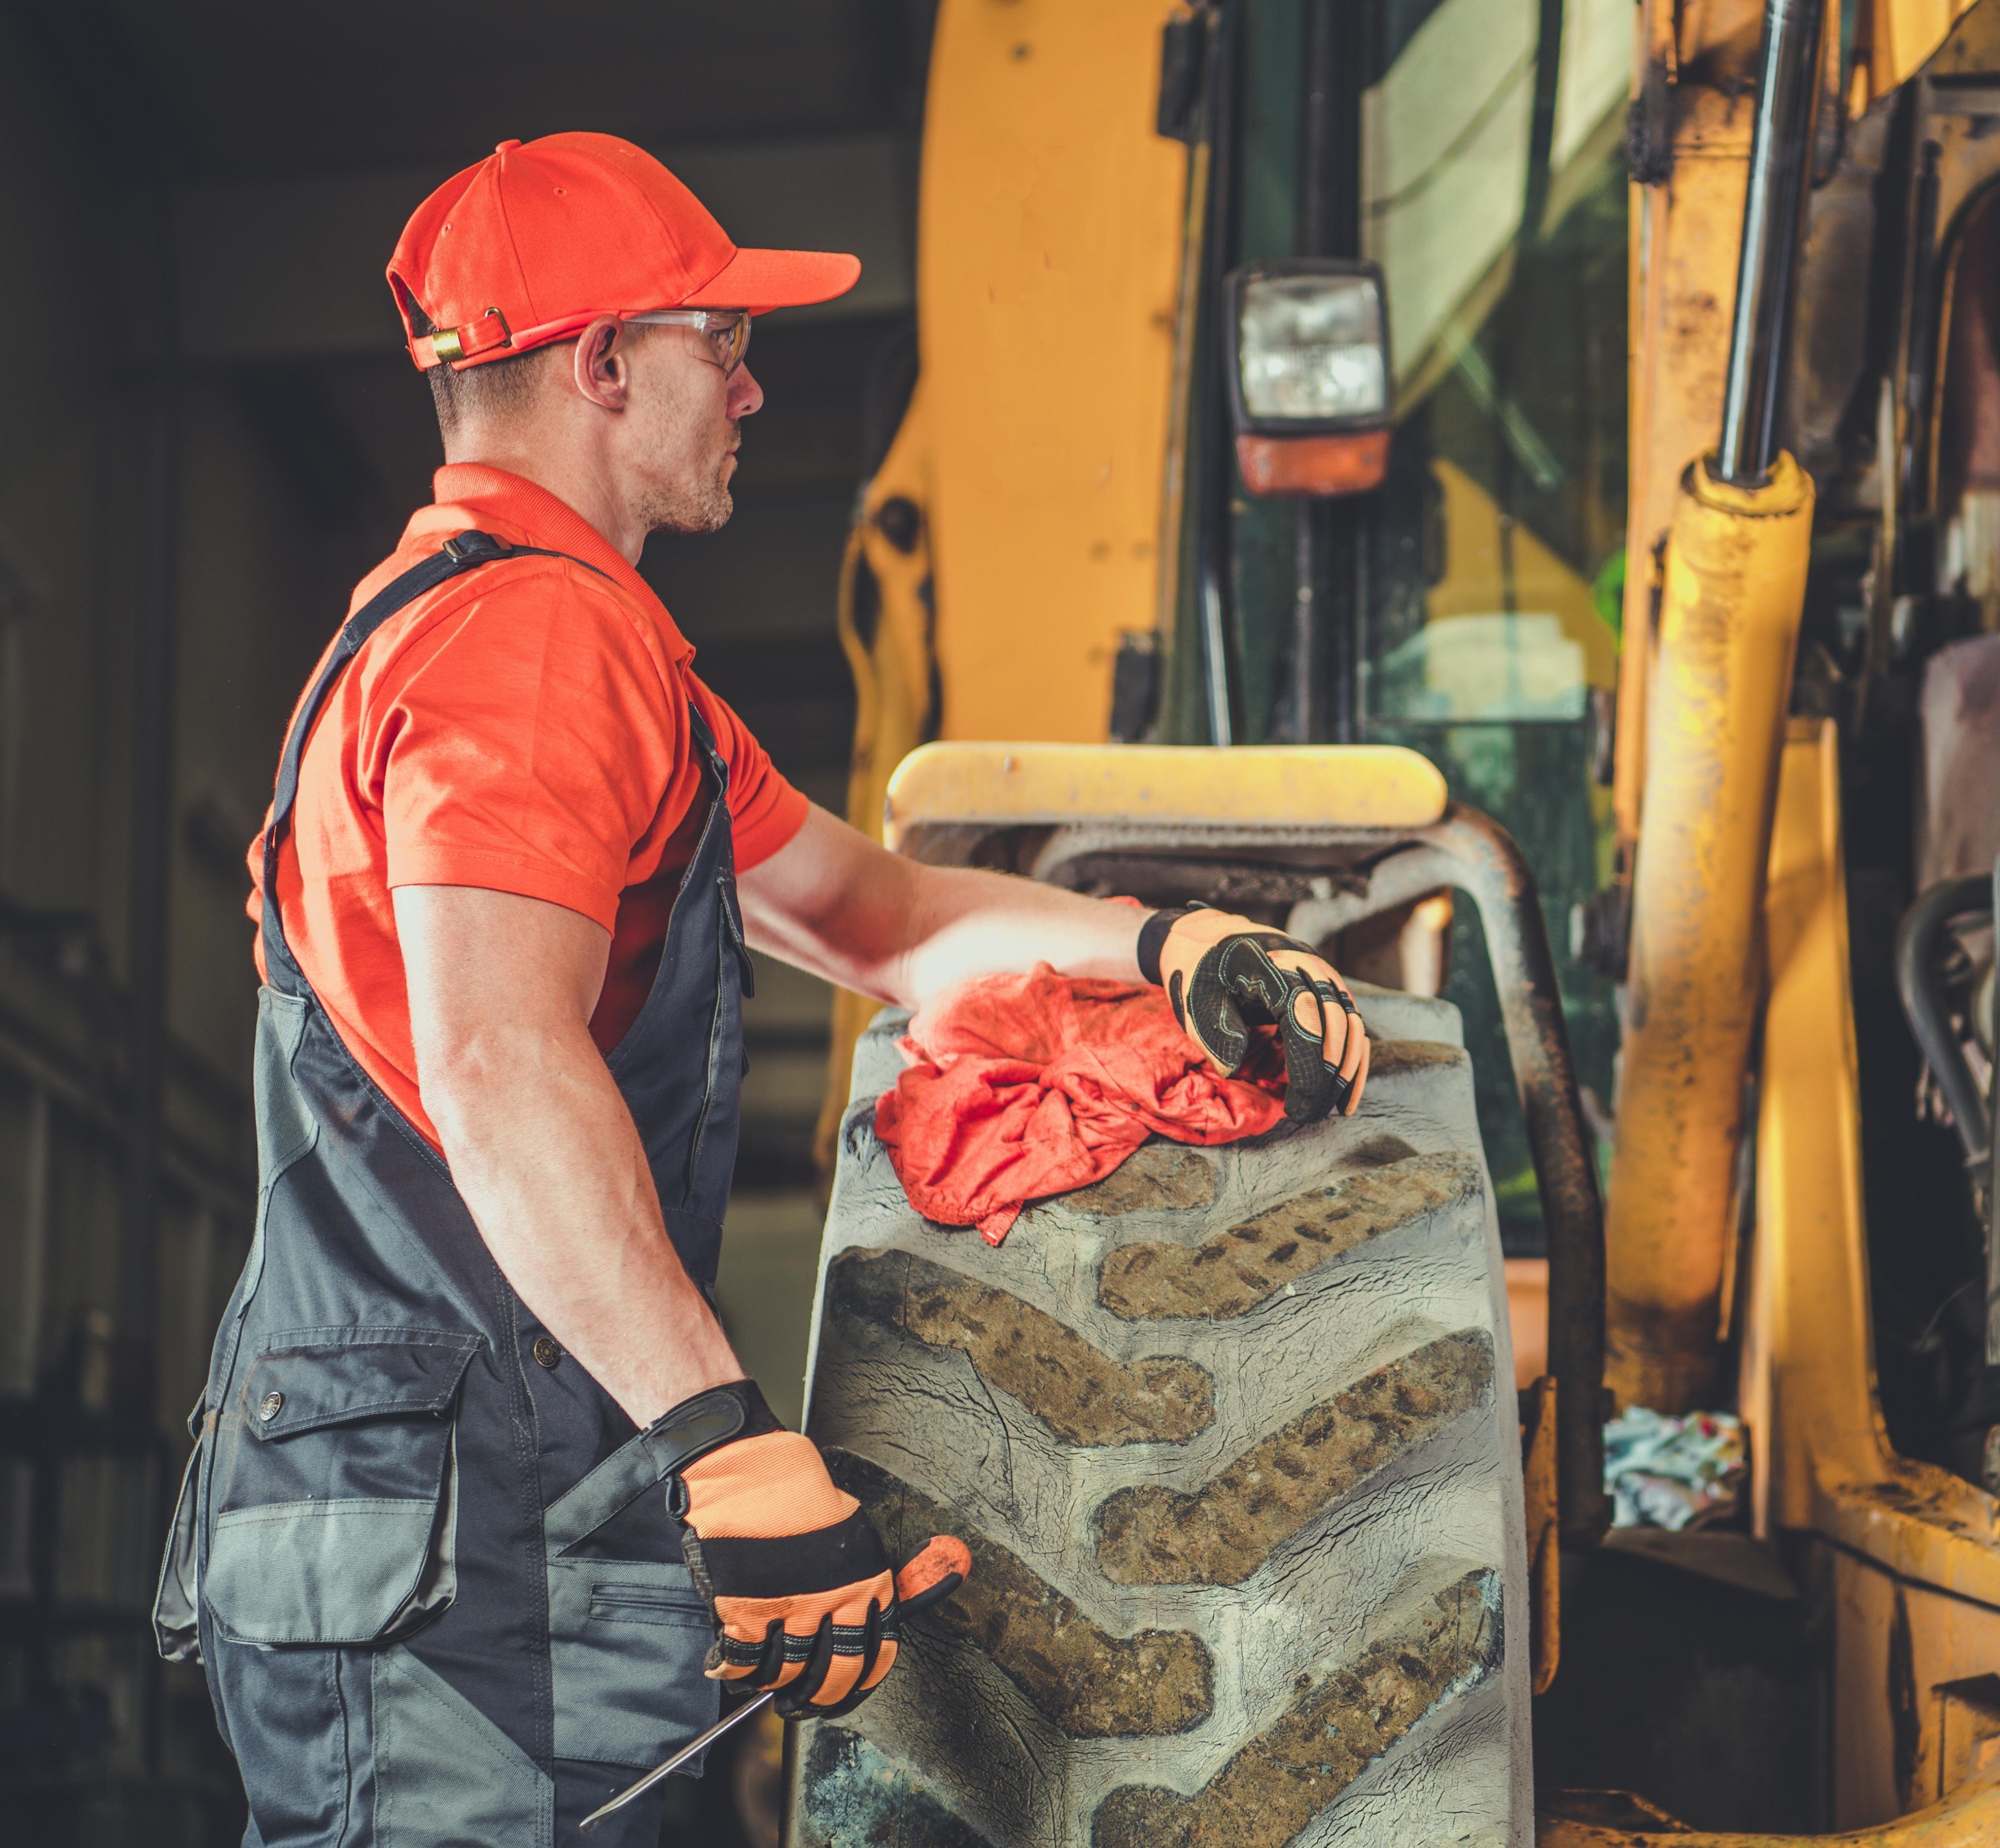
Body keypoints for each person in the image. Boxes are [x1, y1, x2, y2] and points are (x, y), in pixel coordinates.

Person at [151, 132, 1369, 1848]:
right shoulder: (528, 648)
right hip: (463, 1538)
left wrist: (1165, 946)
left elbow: (878, 921)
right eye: (717, 343)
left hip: (459, 1503)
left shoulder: (581, 649)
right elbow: (498, 1064)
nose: (752, 389)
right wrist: (722, 1441)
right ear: (597, 362)